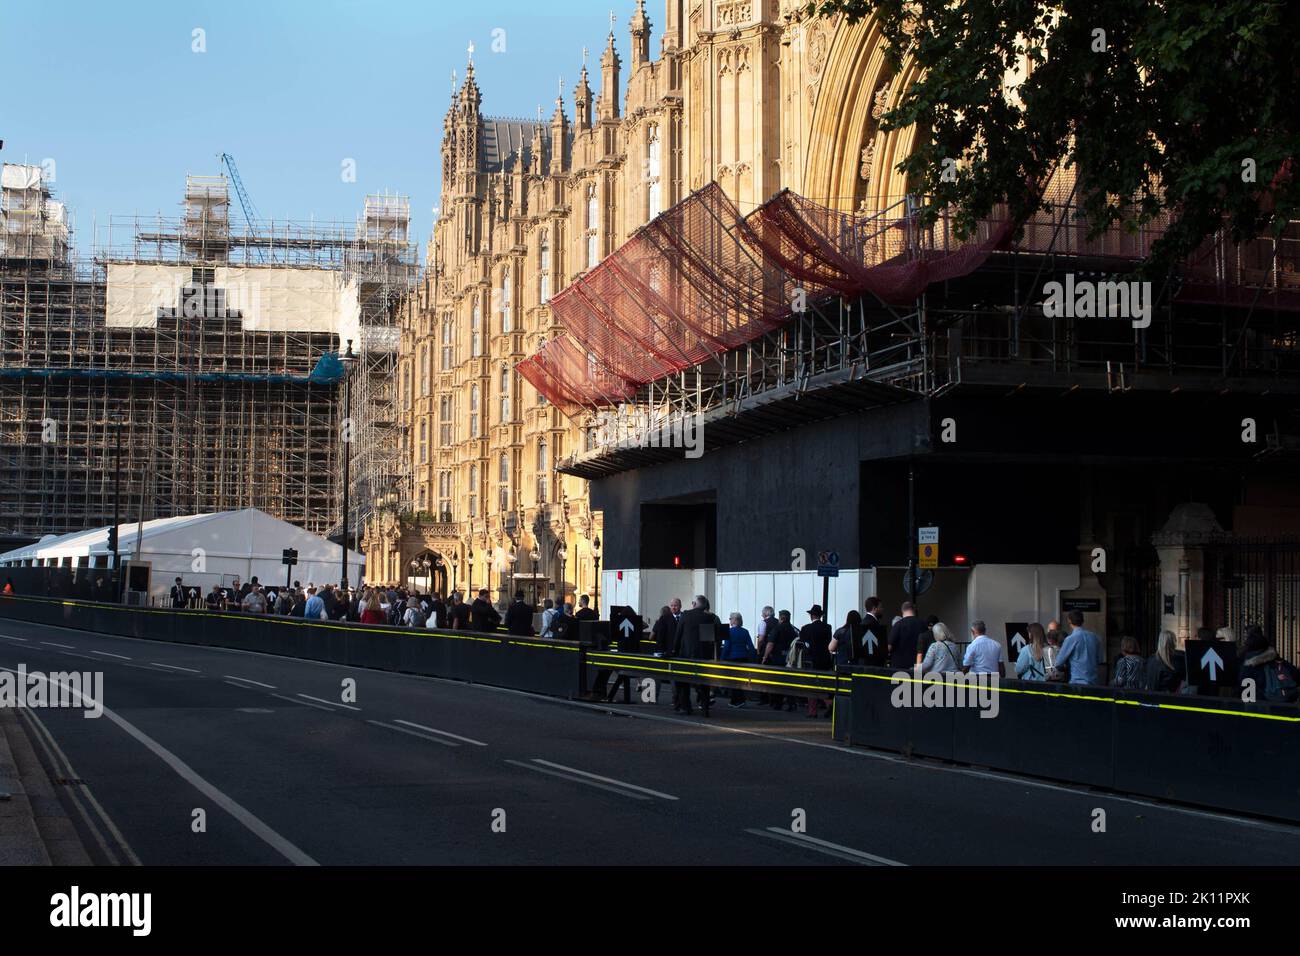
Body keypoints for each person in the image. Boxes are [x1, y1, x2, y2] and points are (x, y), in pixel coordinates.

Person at [672, 595, 719, 716]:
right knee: (704, 683)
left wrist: (674, 651)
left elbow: (678, 634)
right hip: (703, 656)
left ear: (694, 604)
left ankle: (686, 708)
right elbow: (709, 639)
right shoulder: (708, 618)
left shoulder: (686, 615)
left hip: (686, 655)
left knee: (684, 683)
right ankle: (705, 708)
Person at [1237, 626, 1300, 703]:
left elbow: (1241, 687)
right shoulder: (1278, 661)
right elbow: (1296, 675)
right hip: (1285, 703)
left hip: (1261, 704)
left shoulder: (1247, 664)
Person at [797, 604, 834, 718]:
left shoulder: (806, 628)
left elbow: (802, 644)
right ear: (820, 615)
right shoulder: (827, 627)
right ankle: (830, 705)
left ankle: (812, 711)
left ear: (812, 615)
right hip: (825, 659)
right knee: (824, 684)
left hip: (811, 660)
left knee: (811, 685)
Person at [1053, 609, 1103, 684]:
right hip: (1094, 682)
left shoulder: (1070, 639)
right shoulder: (1094, 637)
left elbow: (1058, 663)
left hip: (1077, 682)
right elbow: (1100, 660)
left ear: (1069, 621)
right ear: (1082, 621)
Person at [721, 612, 756, 707]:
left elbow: (726, 647)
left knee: (733, 681)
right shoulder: (745, 631)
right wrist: (753, 659)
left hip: (732, 659)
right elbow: (751, 647)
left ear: (734, 620)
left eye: (730, 618)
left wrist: (722, 659)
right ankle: (738, 700)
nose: (730, 620)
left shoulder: (729, 631)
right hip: (743, 658)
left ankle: (736, 701)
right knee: (741, 680)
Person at [887, 601, 927, 671]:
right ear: (914, 609)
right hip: (918, 666)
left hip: (899, 667)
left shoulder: (898, 625)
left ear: (902, 611)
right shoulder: (923, 624)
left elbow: (889, 646)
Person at [860, 597, 887, 663]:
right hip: (873, 663)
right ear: (874, 609)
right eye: (880, 607)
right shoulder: (874, 624)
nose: (882, 609)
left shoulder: (863, 622)